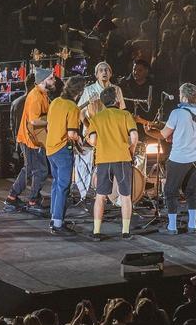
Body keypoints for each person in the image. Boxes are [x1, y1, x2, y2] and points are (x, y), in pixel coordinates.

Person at [85, 86, 138, 240]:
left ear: (102, 102)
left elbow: (93, 140)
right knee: (125, 196)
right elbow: (134, 137)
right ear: (116, 100)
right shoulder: (125, 114)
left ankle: (96, 231)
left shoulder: (97, 118)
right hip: (122, 158)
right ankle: (126, 231)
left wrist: (96, 142)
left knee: (100, 196)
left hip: (103, 160)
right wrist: (131, 152)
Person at [159, 83, 196, 235]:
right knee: (191, 191)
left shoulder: (176, 113)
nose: (179, 97)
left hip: (178, 159)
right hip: (195, 157)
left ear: (185, 97)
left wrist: (149, 131)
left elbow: (163, 134)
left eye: (180, 95)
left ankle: (172, 227)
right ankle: (192, 225)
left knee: (170, 191)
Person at [5, 68, 56, 210]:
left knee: (29, 169)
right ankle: (32, 201)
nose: (54, 80)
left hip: (32, 138)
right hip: (30, 140)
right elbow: (34, 121)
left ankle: (12, 197)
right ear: (42, 81)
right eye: (51, 78)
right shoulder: (35, 97)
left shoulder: (43, 94)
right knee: (41, 170)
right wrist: (51, 121)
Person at [74, 61, 124, 199]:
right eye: (101, 70)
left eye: (107, 70)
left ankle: (112, 194)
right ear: (96, 74)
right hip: (95, 133)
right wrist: (89, 126)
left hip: (112, 132)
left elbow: (122, 111)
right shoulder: (89, 90)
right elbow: (79, 111)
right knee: (98, 164)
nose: (104, 72)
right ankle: (96, 192)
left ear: (111, 73)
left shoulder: (117, 89)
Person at [45, 76, 86, 236]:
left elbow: (49, 125)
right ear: (80, 92)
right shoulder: (73, 108)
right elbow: (71, 133)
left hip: (50, 148)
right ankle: (58, 224)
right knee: (63, 187)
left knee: (56, 184)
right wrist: (80, 139)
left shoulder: (55, 102)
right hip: (62, 150)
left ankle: (55, 217)